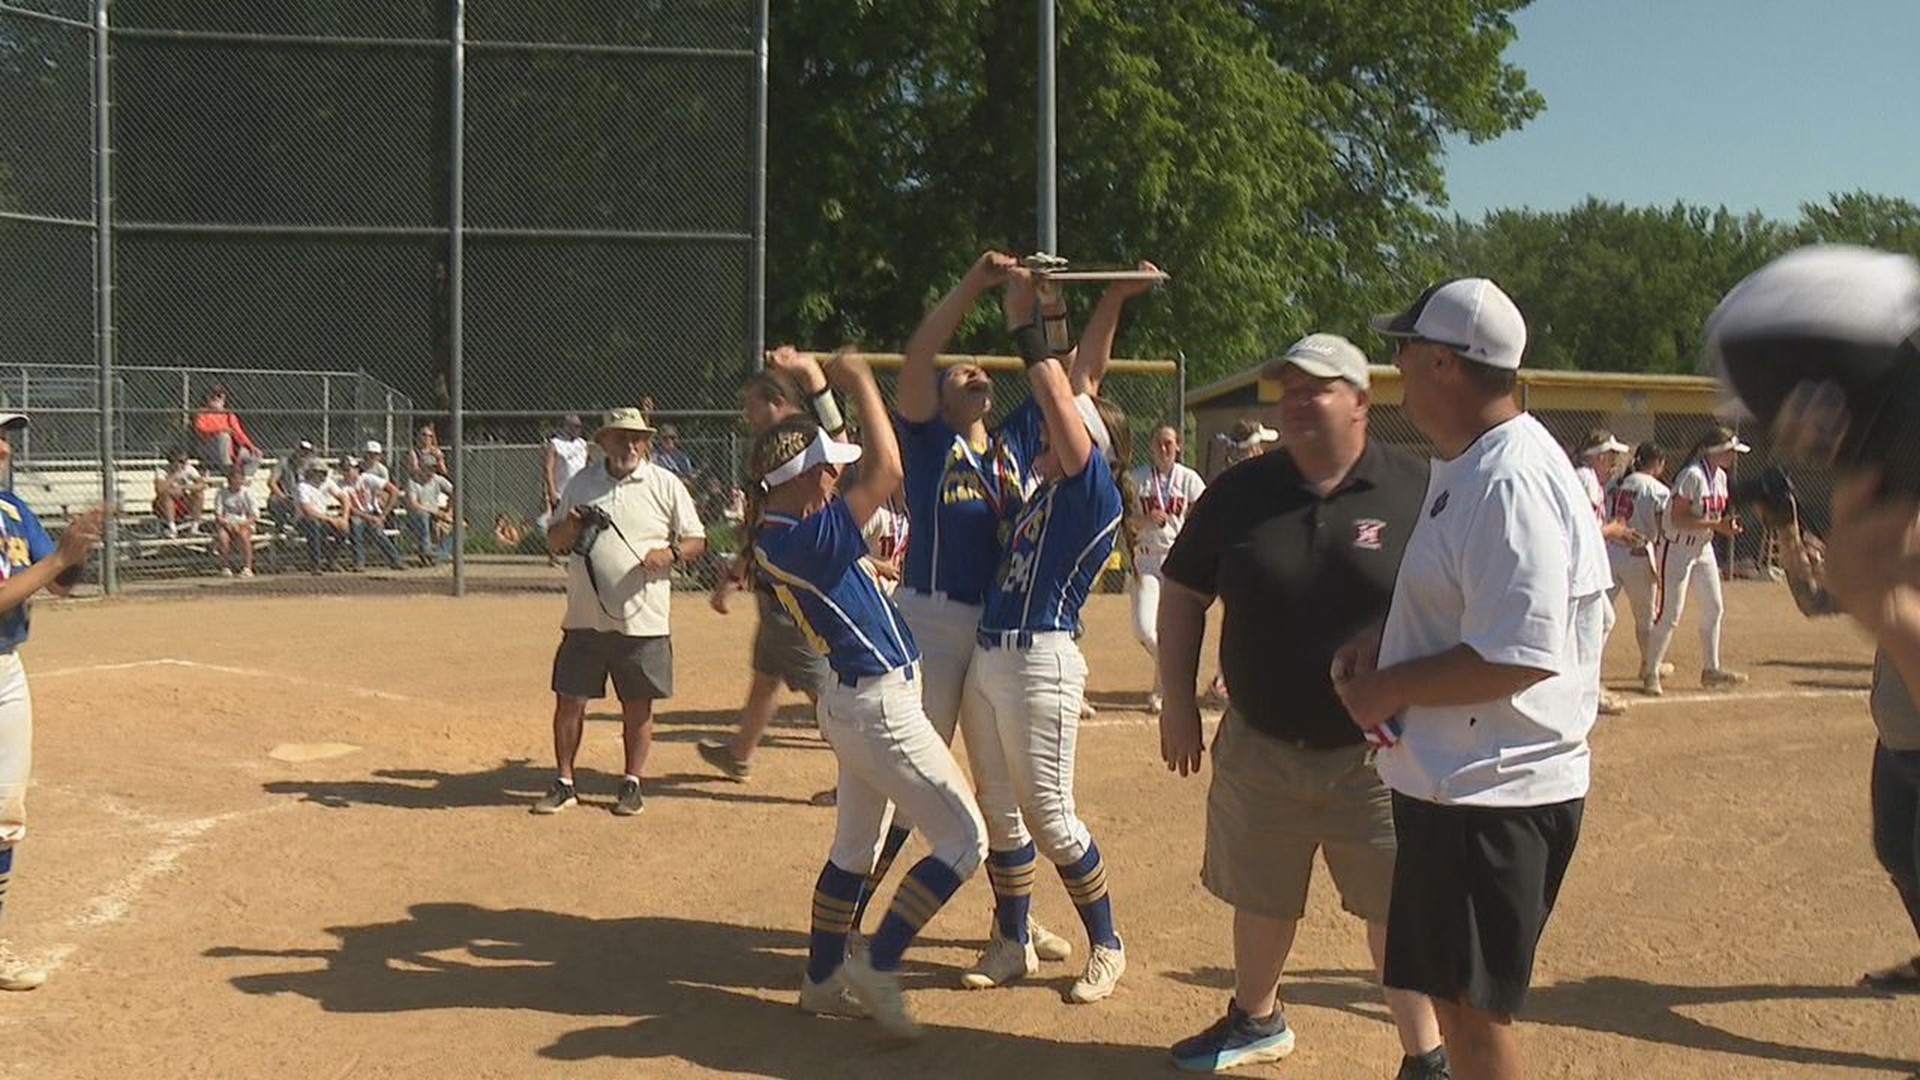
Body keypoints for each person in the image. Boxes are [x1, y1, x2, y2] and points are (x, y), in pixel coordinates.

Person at [1332, 277, 1606, 1080]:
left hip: (1495, 794)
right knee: (1454, 1005)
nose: (1398, 368)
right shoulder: (1475, 462)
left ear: (1447, 363)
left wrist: (1391, 687)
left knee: (1474, 1022)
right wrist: (1385, 638)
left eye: (1406, 351)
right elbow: (1471, 604)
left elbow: (1520, 651)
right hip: (1465, 787)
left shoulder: (1508, 478)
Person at [1156, 334, 1446, 1077]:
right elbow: (1185, 594)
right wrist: (1178, 704)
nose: (1294, 401)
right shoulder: (1240, 492)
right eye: (1286, 388)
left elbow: (1457, 602)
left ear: (1360, 401)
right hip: (1260, 740)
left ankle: (1427, 1056)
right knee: (1262, 890)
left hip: (1383, 751)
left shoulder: (1417, 489)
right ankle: (1256, 1018)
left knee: (1396, 909)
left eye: (1314, 387)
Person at [748, 349, 986, 1041]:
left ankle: (821, 979)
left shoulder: (786, 526)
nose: (834, 473)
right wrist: (855, 381)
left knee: (855, 852)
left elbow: (848, 470)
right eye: (825, 466)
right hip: (878, 705)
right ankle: (878, 963)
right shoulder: (808, 537)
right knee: (962, 839)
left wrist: (824, 391)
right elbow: (885, 469)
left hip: (856, 705)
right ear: (808, 477)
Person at [958, 267, 1133, 1004]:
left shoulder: (1091, 491)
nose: (1052, 430)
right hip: (991, 658)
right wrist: (1079, 310)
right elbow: (1074, 379)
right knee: (1000, 811)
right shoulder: (1050, 490)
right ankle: (1012, 938)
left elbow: (1066, 393)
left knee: (1053, 818)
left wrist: (1027, 327)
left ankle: (1108, 944)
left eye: (1071, 429)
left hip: (1041, 661)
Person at [535, 408, 706, 818]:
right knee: (569, 700)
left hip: (643, 618)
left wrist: (671, 553)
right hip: (584, 617)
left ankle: (632, 781)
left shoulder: (665, 484)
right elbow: (554, 541)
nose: (629, 445)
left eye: (636, 438)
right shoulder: (582, 483)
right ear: (604, 442)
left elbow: (696, 538)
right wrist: (573, 526)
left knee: (637, 703)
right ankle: (564, 782)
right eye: (619, 437)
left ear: (646, 443)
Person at [0, 412, 104, 991]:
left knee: (4, 816)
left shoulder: (13, 509)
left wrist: (77, 551)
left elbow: (60, 585)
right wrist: (57, 559)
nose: (5, 446)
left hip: (6, 670)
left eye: (7, 435)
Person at [697, 355, 835, 785]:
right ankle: (739, 754)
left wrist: (736, 575)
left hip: (792, 589)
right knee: (766, 676)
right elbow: (762, 523)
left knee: (827, 695)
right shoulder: (789, 441)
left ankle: (861, 774)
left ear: (776, 401)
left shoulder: (795, 442)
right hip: (777, 586)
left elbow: (770, 521)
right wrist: (739, 576)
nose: (747, 416)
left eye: (752, 405)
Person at [1641, 425, 1750, 695]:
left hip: (1703, 547)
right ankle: (1651, 671)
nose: (1733, 456)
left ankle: (1710, 669)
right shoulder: (1693, 475)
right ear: (1717, 452)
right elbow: (1678, 517)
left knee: (1714, 607)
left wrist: (1723, 525)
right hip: (1677, 547)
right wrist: (1717, 524)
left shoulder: (1720, 477)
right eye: (1729, 451)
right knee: (1670, 614)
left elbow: (1710, 517)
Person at [1128, 422, 1205, 715]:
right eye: (1159, 443)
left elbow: (1203, 513)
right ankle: (1173, 674)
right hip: (1146, 558)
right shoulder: (1136, 479)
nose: (1164, 449)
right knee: (1144, 629)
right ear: (1150, 446)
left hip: (1176, 561)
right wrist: (1146, 519)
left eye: (1169, 443)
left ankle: (1162, 691)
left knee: (1169, 629)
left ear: (1179, 447)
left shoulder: (1189, 480)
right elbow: (1126, 519)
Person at [1572, 430, 1642, 717]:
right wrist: (1614, 530)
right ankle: (1586, 690)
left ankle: (1585, 686)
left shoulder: (1589, 480)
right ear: (1599, 456)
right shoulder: (1585, 478)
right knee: (1595, 623)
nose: (1613, 464)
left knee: (1602, 620)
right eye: (1611, 457)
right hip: (1579, 567)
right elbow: (1584, 529)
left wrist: (1617, 534)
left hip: (1585, 564)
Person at [1604, 443, 1674, 684]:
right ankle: (1649, 667)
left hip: (1611, 553)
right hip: (1639, 555)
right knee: (1646, 619)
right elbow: (1663, 529)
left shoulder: (1616, 483)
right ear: (1658, 463)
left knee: (1601, 614)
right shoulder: (1658, 490)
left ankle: (1587, 667)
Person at [341, 458, 404, 571]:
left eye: (349, 469)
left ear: (356, 469)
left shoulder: (367, 478)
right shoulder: (342, 485)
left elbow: (394, 491)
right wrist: (370, 518)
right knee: (356, 525)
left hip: (373, 512)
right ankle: (359, 563)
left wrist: (383, 515)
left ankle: (395, 560)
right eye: (344, 469)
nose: (346, 472)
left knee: (377, 532)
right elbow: (350, 508)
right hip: (357, 514)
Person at [191, 384, 262, 475]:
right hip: (209, 447)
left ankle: (242, 480)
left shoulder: (229, 415)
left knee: (256, 456)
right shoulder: (202, 413)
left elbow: (239, 433)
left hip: (231, 449)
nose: (216, 398)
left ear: (224, 399)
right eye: (212, 396)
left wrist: (251, 446)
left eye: (219, 396)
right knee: (223, 436)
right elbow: (200, 429)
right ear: (207, 398)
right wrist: (221, 429)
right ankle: (227, 469)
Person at [295, 461, 349, 573]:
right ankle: (315, 564)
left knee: (343, 529)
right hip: (304, 521)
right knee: (314, 525)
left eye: (323, 472)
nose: (322, 475)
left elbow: (345, 499)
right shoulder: (303, 486)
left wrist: (343, 518)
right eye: (319, 472)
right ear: (311, 473)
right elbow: (307, 510)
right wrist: (331, 519)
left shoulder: (327, 483)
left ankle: (332, 561)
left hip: (323, 519)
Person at [405, 455, 456, 566]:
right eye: (427, 467)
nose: (431, 471)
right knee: (424, 516)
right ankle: (426, 552)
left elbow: (455, 493)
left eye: (433, 468)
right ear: (421, 467)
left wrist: (449, 511)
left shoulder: (437, 479)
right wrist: (434, 511)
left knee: (460, 526)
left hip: (435, 513)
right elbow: (413, 504)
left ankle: (438, 555)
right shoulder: (413, 481)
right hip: (416, 515)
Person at [540, 415, 589, 531]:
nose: (577, 430)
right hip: (561, 492)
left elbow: (586, 466)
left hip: (580, 491)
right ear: (566, 426)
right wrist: (551, 491)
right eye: (574, 426)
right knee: (560, 526)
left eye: (579, 427)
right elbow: (548, 468)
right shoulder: (556, 444)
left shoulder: (582, 444)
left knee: (579, 525)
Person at [212, 465, 259, 579]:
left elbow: (254, 516)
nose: (237, 481)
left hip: (244, 523)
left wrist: (241, 524)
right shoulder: (221, 493)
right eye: (234, 478)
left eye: (239, 478)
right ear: (229, 480)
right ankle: (225, 567)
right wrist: (228, 524)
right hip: (226, 523)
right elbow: (218, 515)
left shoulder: (247, 493)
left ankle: (247, 568)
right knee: (223, 537)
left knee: (243, 536)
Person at [151, 448, 207, 537]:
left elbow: (202, 485)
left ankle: (194, 527)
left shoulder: (189, 469)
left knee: (199, 494)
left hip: (183, 502)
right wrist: (174, 475)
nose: (184, 464)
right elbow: (160, 490)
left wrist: (184, 488)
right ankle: (172, 528)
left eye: (185, 461)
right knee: (167, 495)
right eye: (181, 461)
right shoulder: (162, 471)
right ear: (173, 461)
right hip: (163, 505)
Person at [267, 441, 316, 530]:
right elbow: (271, 482)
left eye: (307, 452)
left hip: (301, 498)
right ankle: (282, 528)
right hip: (285, 497)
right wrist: (283, 497)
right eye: (302, 451)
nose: (304, 454)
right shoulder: (284, 462)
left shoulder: (310, 467)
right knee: (275, 500)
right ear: (297, 450)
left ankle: (301, 526)